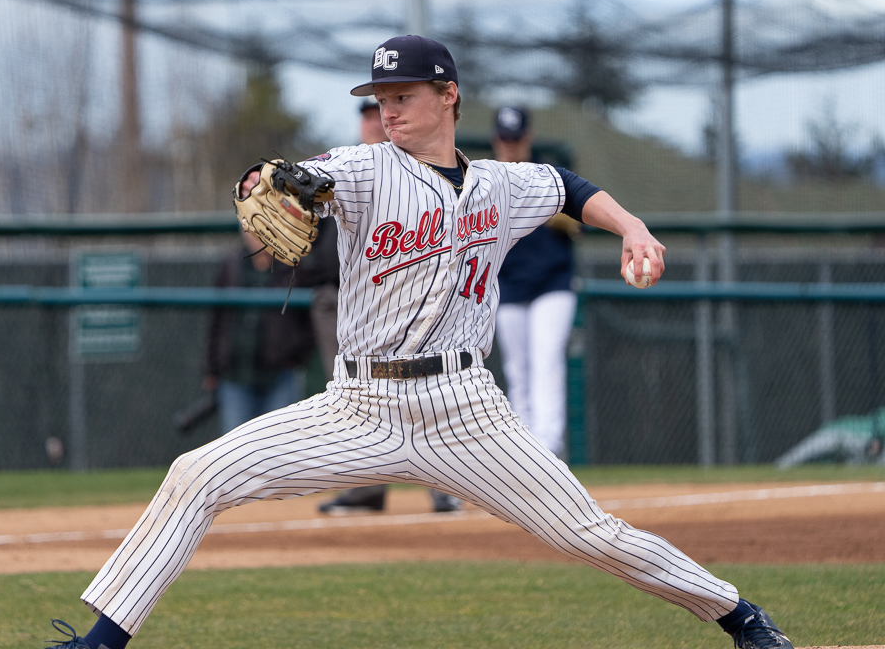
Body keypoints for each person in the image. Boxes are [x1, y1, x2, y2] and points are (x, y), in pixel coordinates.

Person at [42, 35, 793, 649]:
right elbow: (307, 174)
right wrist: (278, 177)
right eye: (379, 99)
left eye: (402, 96)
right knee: (197, 473)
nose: (388, 110)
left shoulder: (501, 186)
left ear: (448, 96)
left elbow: (565, 186)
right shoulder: (368, 169)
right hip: (358, 406)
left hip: (466, 411)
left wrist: (632, 226)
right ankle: (99, 644)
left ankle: (739, 616)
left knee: (588, 532)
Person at [313, 98, 460, 514]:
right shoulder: (344, 171)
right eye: (370, 113)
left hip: (408, 301)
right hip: (342, 302)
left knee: (428, 392)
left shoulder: (420, 172)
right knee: (358, 402)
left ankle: (443, 486)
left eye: (388, 107)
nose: (376, 119)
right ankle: (367, 490)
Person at [491, 105, 579, 458]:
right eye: (505, 138)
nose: (510, 144)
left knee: (547, 360)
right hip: (508, 285)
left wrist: (556, 215)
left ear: (528, 137)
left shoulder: (550, 176)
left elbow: (579, 223)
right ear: (496, 140)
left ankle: (548, 449)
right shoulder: (486, 177)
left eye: (516, 137)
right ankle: (525, 451)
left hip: (552, 283)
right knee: (517, 370)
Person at [201, 231, 313, 434]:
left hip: (279, 374)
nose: (256, 236)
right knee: (235, 448)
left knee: (279, 446)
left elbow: (308, 319)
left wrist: (295, 356)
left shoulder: (292, 265)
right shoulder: (231, 263)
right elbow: (217, 319)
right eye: (250, 229)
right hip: (236, 372)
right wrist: (212, 367)